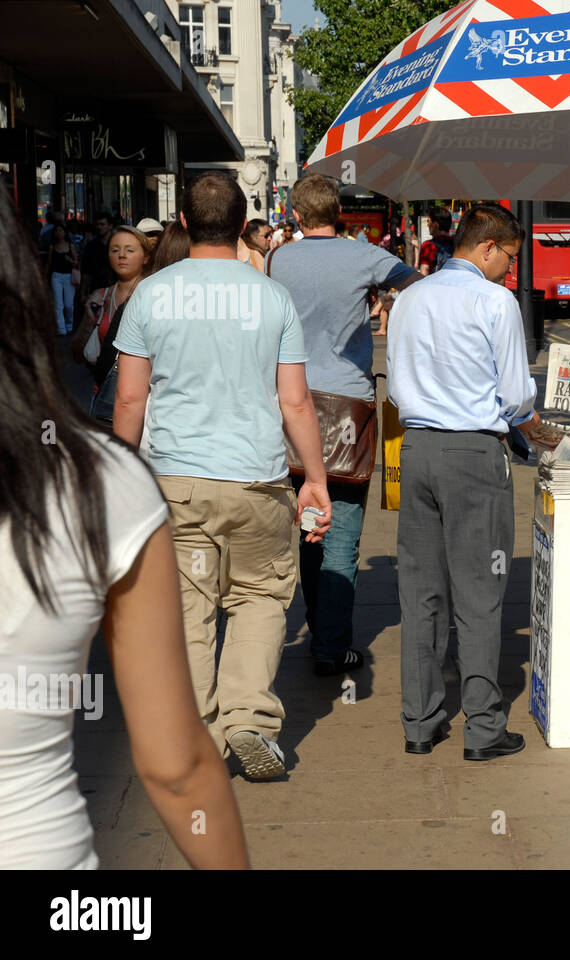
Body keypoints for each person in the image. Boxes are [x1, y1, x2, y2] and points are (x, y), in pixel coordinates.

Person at [0, 188, 249, 869]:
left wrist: (128, 446)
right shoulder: (93, 487)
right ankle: (250, 711)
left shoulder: (152, 300)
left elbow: (129, 389)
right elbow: (176, 767)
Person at [112, 171, 333, 781]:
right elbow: (294, 403)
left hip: (173, 480)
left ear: (182, 223)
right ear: (243, 226)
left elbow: (130, 402)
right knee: (262, 599)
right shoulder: (271, 298)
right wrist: (314, 476)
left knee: (186, 608)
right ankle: (250, 722)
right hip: (255, 479)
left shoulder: (151, 295)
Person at [387, 202, 544, 760]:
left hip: (418, 448)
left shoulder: (409, 297)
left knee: (421, 591)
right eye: (511, 257)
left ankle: (420, 721)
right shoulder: (495, 302)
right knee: (479, 592)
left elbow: (395, 385)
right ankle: (482, 728)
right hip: (475, 453)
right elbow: (516, 395)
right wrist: (535, 429)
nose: (512, 270)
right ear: (488, 248)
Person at [267, 173, 420, 676]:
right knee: (345, 524)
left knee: (309, 521)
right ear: (339, 213)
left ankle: (318, 626)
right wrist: (381, 300)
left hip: (291, 401)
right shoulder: (365, 254)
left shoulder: (278, 258)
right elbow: (416, 284)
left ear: (294, 213)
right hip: (349, 404)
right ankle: (332, 643)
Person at [71, 225, 155, 425]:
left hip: (147, 401)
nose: (122, 255)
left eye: (130, 250)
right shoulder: (100, 297)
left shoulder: (155, 296)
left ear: (145, 257)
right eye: (115, 250)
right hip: (106, 398)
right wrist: (90, 321)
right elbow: (76, 355)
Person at [45, 223, 79, 335]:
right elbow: (49, 263)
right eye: (56, 231)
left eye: (61, 231)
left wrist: (70, 260)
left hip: (69, 276)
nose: (58, 233)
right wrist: (44, 276)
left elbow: (77, 263)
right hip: (56, 276)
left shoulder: (70, 246)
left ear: (65, 233)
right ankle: (61, 329)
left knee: (69, 304)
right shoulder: (52, 247)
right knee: (58, 304)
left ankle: (69, 326)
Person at [79, 211, 115, 301]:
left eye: (102, 224)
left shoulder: (117, 244)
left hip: (115, 288)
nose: (99, 227)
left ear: (110, 226)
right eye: (97, 224)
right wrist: (83, 293)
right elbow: (85, 272)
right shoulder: (91, 246)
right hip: (96, 288)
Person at [418, 207, 455, 275]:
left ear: (435, 225)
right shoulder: (458, 244)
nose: (427, 225)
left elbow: (424, 270)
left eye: (428, 221)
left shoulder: (428, 246)